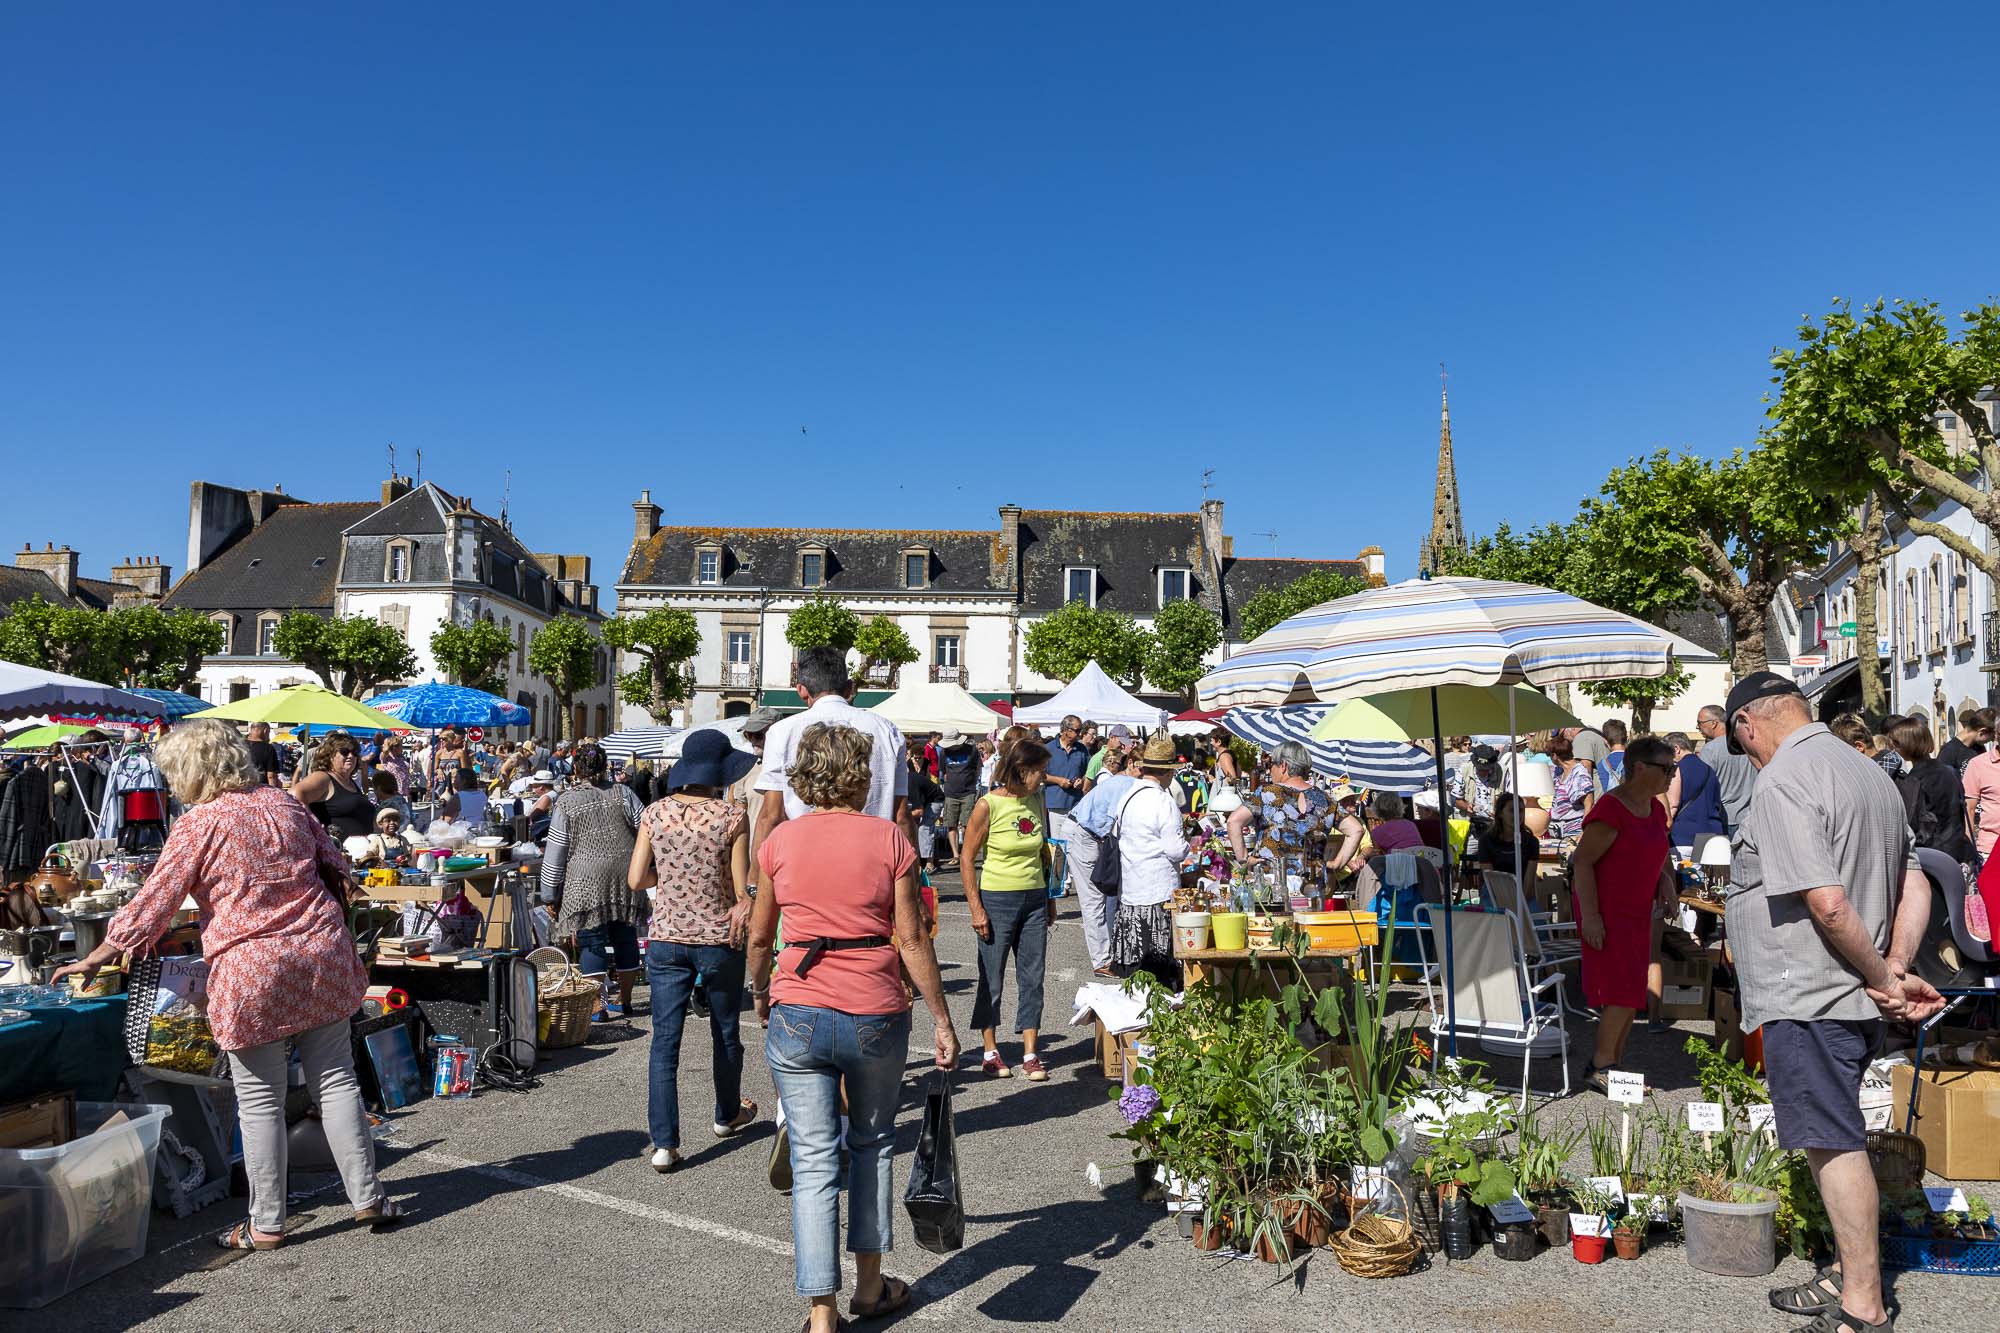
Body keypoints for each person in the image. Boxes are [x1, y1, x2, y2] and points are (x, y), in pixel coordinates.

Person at [52, 720, 400, 1249]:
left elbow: (156, 901)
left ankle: (266, 1223)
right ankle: (368, 1197)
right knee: (336, 1081)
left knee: (259, 1099)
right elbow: (338, 869)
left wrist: (100, 953)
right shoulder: (286, 804)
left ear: (188, 772)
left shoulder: (201, 823)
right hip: (321, 953)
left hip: (253, 966)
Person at [1723, 672, 1944, 1333]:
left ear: (1748, 725)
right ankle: (1850, 1277)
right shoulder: (1867, 770)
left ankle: (1863, 1306)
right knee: (1838, 1133)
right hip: (1847, 992)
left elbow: (1827, 901)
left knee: (1832, 1142)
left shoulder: (1785, 777)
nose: (1751, 759)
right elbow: (1917, 879)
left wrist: (1881, 973)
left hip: (1812, 992)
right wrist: (1896, 966)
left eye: (1746, 747)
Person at [746, 722, 956, 1332]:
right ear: (861, 776)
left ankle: (820, 1314)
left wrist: (761, 992)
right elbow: (911, 937)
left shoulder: (780, 843)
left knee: (813, 1161)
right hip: (873, 1007)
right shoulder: (890, 841)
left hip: (799, 1005)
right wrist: (941, 1019)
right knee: (871, 1145)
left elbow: (760, 936)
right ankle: (870, 1286)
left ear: (803, 779)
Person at [628, 727, 757, 1171]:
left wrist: (668, 883)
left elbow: (636, 879)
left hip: (666, 937)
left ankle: (664, 1142)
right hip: (718, 938)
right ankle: (726, 1114)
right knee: (725, 1032)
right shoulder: (731, 817)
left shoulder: (655, 813)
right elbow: (741, 889)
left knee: (665, 1041)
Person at [1570, 734, 1678, 1094]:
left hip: (1637, 911)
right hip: (1609, 912)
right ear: (1640, 768)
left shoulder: (1655, 807)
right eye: (1666, 768)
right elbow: (1582, 863)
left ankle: (1614, 1062)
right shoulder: (1611, 810)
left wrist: (1665, 881)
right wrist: (1592, 918)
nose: (1672, 775)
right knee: (1619, 992)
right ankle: (1601, 1064)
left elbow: (1656, 851)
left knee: (1632, 992)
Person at [959, 735, 1052, 1080]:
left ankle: (1030, 1052)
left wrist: (1050, 899)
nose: (1043, 777)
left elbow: (1046, 852)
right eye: (1039, 772)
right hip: (996, 898)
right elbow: (967, 858)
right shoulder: (988, 805)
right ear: (1021, 770)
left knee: (1033, 977)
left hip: (1034, 897)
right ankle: (990, 1050)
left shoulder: (1037, 800)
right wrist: (975, 908)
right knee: (991, 977)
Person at [755, 647, 909, 850]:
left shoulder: (781, 732)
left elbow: (771, 816)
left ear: (801, 690)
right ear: (849, 688)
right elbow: (901, 815)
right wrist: (913, 876)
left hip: (803, 856)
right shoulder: (887, 730)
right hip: (874, 855)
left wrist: (754, 880)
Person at [540, 742, 647, 1021]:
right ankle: (624, 1002)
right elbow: (647, 827)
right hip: (626, 874)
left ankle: (598, 1006)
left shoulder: (566, 802)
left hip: (584, 880)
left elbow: (556, 851)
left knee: (592, 942)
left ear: (576, 768)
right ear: (605, 766)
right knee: (625, 938)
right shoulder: (624, 794)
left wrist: (549, 893)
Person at [1111, 733, 1189, 986]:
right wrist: (1189, 843)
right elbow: (1176, 850)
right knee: (1161, 968)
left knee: (1136, 968)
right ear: (1167, 772)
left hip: (1132, 887)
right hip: (1157, 890)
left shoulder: (1126, 796)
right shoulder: (1163, 801)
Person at [1069, 743, 1139, 977]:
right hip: (1084, 834)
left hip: (1092, 835)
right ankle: (1102, 961)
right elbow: (1114, 822)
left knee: (1105, 896)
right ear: (1131, 764)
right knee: (1094, 900)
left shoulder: (1128, 782)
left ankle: (1113, 954)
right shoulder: (1126, 784)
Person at [1886, 716, 1976, 866]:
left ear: (1904, 745)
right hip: (1956, 850)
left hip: (1931, 856)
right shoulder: (1949, 771)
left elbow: (1913, 824)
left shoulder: (1914, 780)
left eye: (1896, 745)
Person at [1225, 740, 1328, 868]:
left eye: (1271, 764)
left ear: (1283, 766)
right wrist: (1337, 863)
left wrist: (1244, 859)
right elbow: (1356, 829)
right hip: (1312, 882)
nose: (1269, 770)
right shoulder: (1324, 798)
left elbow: (1233, 822)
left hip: (1272, 878)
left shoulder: (1267, 794)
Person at [290, 730, 375, 840]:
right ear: (330, 755)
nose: (351, 756)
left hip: (360, 851)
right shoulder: (323, 777)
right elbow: (294, 794)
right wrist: (312, 824)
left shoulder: (349, 781)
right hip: (335, 851)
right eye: (344, 752)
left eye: (354, 753)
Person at [1042, 714, 1092, 900]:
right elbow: (1040, 775)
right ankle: (1060, 883)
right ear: (1065, 730)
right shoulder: (1048, 749)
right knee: (1058, 845)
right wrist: (1058, 780)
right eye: (1077, 730)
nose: (1080, 734)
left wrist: (1081, 782)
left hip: (1076, 804)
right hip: (1055, 804)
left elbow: (1088, 774)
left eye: (1081, 731)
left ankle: (1072, 881)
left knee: (1075, 844)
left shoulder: (1082, 750)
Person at [1695, 704, 1758, 834]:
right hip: (1749, 815)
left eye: (1700, 723)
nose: (1698, 727)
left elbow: (1701, 786)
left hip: (1722, 817)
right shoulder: (1747, 743)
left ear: (1713, 723)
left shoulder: (1710, 749)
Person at [1664, 732, 1726, 848]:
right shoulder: (1709, 770)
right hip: (1712, 836)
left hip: (1684, 836)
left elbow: (1673, 804)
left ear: (1676, 748)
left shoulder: (1677, 769)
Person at [935, 729, 980, 864]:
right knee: (951, 824)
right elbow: (943, 772)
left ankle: (967, 853)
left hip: (968, 792)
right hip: (951, 793)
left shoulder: (972, 751)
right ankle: (955, 855)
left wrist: (972, 785)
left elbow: (977, 769)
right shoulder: (944, 752)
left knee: (968, 825)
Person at [1476, 790, 1542, 880]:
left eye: (1521, 810)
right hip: (1493, 889)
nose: (1518, 815)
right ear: (1500, 813)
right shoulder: (1486, 841)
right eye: (1512, 810)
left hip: (1522, 889)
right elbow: (1490, 878)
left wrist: (1521, 894)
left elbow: (1529, 880)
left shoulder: (1531, 842)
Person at [1548, 732, 1595, 842]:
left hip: (1573, 831)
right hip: (1557, 831)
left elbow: (1589, 805)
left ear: (1555, 756)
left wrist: (1584, 831)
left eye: (1549, 754)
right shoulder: (1559, 771)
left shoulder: (1579, 773)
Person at [1447, 744, 1503, 823]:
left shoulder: (1502, 771)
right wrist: (1466, 806)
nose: (1482, 772)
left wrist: (1499, 813)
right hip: (1470, 822)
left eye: (1486, 769)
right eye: (1480, 769)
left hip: (1494, 823)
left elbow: (1509, 800)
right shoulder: (1464, 770)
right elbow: (1454, 799)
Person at [1937, 706, 1994, 778]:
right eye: (1992, 737)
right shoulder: (1948, 752)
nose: (1991, 740)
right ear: (1982, 732)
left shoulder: (1979, 748)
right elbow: (1939, 784)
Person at [1595, 719, 1629, 791]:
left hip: (1611, 801)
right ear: (1627, 739)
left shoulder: (1601, 764)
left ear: (1605, 741)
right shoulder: (1636, 761)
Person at [244, 722, 281, 787]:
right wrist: (273, 790)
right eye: (269, 732)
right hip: (260, 787)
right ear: (265, 730)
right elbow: (271, 775)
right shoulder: (268, 748)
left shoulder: (239, 744)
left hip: (241, 786)